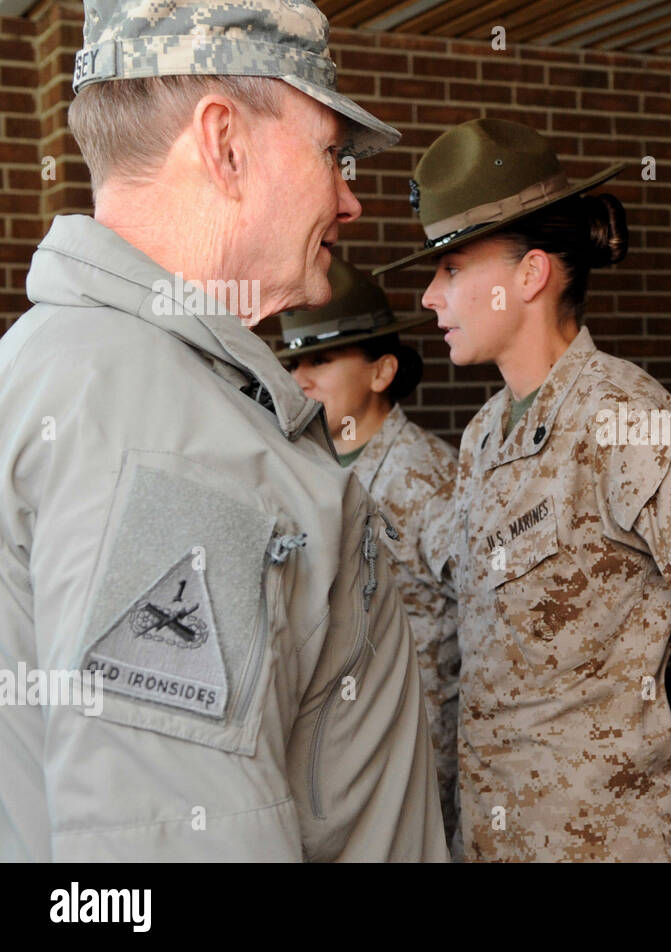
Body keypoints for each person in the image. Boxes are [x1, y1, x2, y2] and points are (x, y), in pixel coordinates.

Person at [0, 0, 445, 861]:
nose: (350, 200)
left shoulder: (55, 365)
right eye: (331, 154)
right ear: (225, 143)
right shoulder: (171, 435)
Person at [375, 117, 671, 862]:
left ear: (530, 274)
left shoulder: (620, 418)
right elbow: (465, 573)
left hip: (610, 836)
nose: (428, 296)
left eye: (451, 268)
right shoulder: (488, 432)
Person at [278, 257, 462, 856]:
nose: (301, 377)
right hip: (341, 767)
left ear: (382, 371)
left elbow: (497, 620)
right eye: (296, 361)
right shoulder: (315, 475)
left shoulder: (428, 478)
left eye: (323, 359)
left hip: (422, 768)